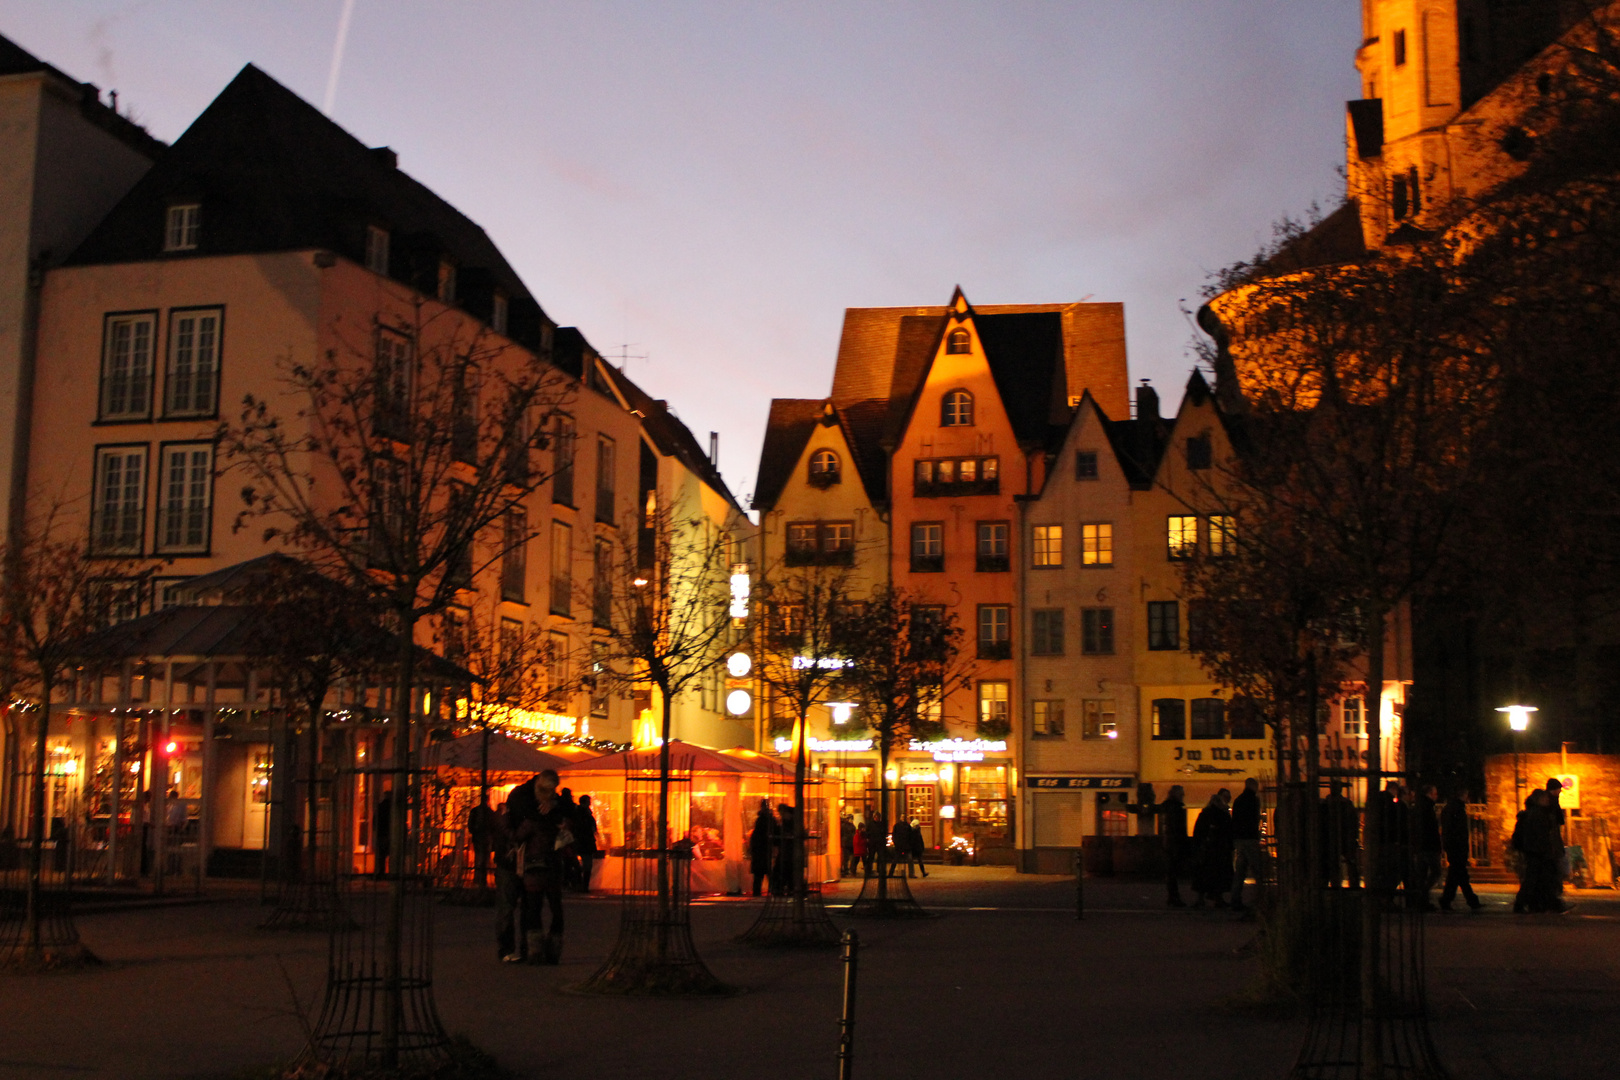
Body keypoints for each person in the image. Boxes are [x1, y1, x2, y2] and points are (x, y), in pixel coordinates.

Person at [507, 769, 572, 963]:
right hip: (553, 867)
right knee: (556, 908)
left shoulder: (530, 817)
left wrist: (503, 821)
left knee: (533, 909)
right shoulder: (559, 817)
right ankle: (554, 950)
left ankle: (535, 951)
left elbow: (517, 836)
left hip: (534, 868)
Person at [487, 799, 523, 961]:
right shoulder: (509, 822)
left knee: (507, 907)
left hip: (507, 865)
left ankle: (508, 949)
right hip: (510, 865)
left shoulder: (502, 820)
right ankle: (508, 949)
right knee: (507, 907)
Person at [1439, 788, 1482, 912]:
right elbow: (1459, 831)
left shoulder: (1450, 808)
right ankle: (1470, 900)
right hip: (1457, 847)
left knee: (1456, 875)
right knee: (1460, 874)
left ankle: (1448, 900)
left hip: (1453, 846)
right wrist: (1462, 846)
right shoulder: (1457, 809)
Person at [1191, 790, 1234, 909]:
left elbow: (1198, 833)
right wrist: (1230, 846)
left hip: (1206, 849)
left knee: (1203, 875)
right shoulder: (1223, 815)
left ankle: (1200, 899)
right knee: (1219, 876)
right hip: (1220, 850)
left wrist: (1198, 846)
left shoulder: (1204, 814)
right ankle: (1218, 899)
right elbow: (1229, 833)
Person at [1229, 778, 1263, 912]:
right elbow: (1255, 819)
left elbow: (1235, 820)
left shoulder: (1238, 800)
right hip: (1250, 837)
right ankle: (1260, 898)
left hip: (1240, 838)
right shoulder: (1254, 800)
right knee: (1257, 870)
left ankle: (1235, 899)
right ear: (1253, 786)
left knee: (1240, 871)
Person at [1320, 780, 1360, 887]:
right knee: (1350, 863)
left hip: (1330, 839)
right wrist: (1354, 837)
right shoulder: (1347, 804)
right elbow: (1354, 822)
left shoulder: (1325, 805)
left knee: (1333, 864)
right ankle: (1353, 885)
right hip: (1345, 838)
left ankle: (1334, 884)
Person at [1409, 784, 1443, 911]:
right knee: (1435, 872)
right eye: (1434, 793)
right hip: (1429, 846)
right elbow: (1431, 829)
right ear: (1429, 793)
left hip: (1422, 846)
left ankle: (1421, 900)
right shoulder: (1428, 807)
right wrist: (1437, 846)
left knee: (1422, 874)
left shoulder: (1419, 807)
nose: (1436, 795)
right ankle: (1422, 895)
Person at [1160, 786, 1189, 907]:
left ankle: (1173, 896)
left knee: (1171, 872)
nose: (1183, 796)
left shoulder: (1168, 807)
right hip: (1174, 843)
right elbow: (1177, 828)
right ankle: (1173, 897)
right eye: (1181, 794)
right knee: (1173, 872)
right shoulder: (1175, 808)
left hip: (1170, 842)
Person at [748, 800, 775, 896]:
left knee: (759, 874)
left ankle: (757, 891)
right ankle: (773, 890)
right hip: (765, 848)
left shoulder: (760, 820)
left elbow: (756, 836)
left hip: (759, 849)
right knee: (768, 871)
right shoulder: (770, 820)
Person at [574, 794, 599, 893]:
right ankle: (584, 886)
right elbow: (590, 827)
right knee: (587, 864)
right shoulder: (585, 814)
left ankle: (581, 884)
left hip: (581, 842)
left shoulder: (578, 813)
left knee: (583, 864)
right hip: (585, 842)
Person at [774, 803, 799, 894]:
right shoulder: (789, 821)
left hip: (788, 850)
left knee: (785, 869)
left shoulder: (789, 822)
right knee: (787, 870)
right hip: (787, 850)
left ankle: (783, 887)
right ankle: (788, 887)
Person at [374, 790, 393, 876]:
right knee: (392, 852)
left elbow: (375, 820)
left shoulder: (380, 806)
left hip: (381, 832)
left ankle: (381, 871)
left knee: (381, 854)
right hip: (390, 833)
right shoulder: (393, 807)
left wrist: (376, 830)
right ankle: (393, 871)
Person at [865, 812, 887, 880]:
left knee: (880, 857)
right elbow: (867, 833)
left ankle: (879, 870)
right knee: (871, 857)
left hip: (879, 843)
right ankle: (869, 871)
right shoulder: (871, 824)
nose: (877, 818)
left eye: (878, 817)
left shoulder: (880, 824)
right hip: (873, 843)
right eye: (876, 817)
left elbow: (884, 832)